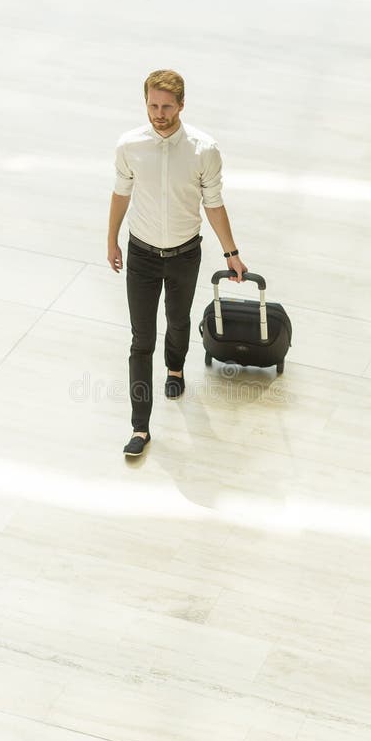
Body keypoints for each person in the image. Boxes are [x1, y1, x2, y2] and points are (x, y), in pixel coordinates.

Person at [107, 69, 247, 456]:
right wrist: (111, 241)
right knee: (140, 340)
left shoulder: (204, 149)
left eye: (167, 106)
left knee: (179, 319)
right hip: (141, 256)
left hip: (186, 253)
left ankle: (175, 367)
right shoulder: (130, 145)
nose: (159, 113)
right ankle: (140, 427)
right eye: (153, 105)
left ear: (182, 105)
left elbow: (214, 203)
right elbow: (120, 193)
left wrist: (231, 253)